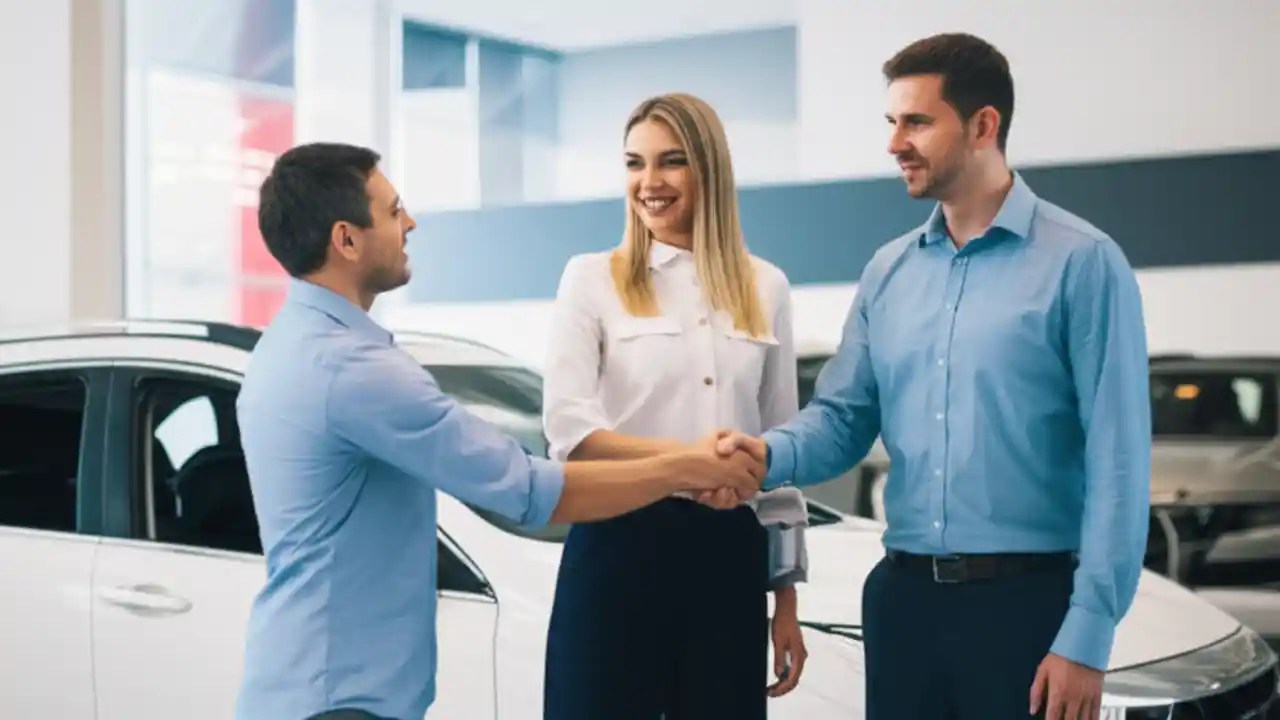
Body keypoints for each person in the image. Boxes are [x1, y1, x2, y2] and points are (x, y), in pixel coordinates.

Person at [233, 142, 766, 720]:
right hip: (339, 703)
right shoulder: (352, 371)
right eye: (393, 211)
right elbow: (527, 491)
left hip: (303, 690)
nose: (410, 223)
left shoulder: (288, 345)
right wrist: (691, 465)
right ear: (346, 239)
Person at [718, 33, 1152, 720]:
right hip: (905, 605)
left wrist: (1089, 635)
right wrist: (766, 455)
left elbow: (1119, 464)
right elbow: (844, 419)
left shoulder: (1083, 265)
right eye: (891, 122)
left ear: (984, 125)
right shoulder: (888, 271)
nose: (895, 143)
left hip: (1027, 611)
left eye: (916, 121)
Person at [540, 92, 811, 720]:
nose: (649, 183)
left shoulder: (765, 285)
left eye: (671, 162)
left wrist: (786, 599)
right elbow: (572, 434)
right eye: (635, 163)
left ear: (709, 168)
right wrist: (696, 462)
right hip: (617, 547)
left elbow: (780, 452)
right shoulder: (590, 278)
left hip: (728, 561)